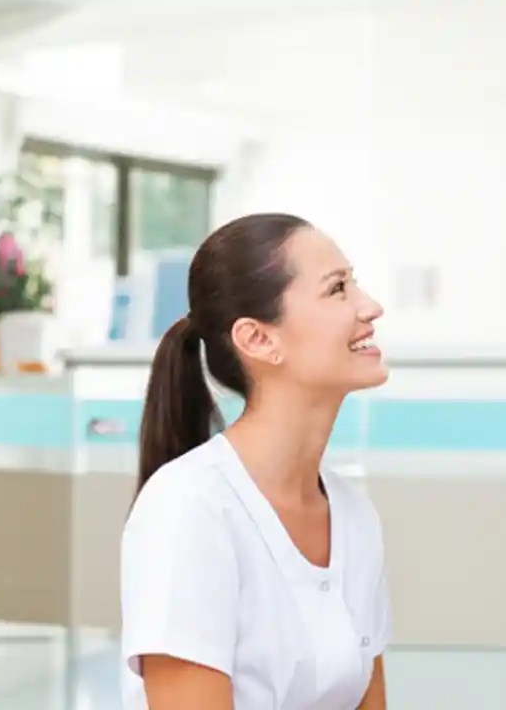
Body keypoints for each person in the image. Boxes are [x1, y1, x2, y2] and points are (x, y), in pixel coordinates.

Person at [119, 213, 392, 710]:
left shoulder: (354, 515)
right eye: (338, 289)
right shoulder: (188, 508)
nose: (371, 306)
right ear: (258, 339)